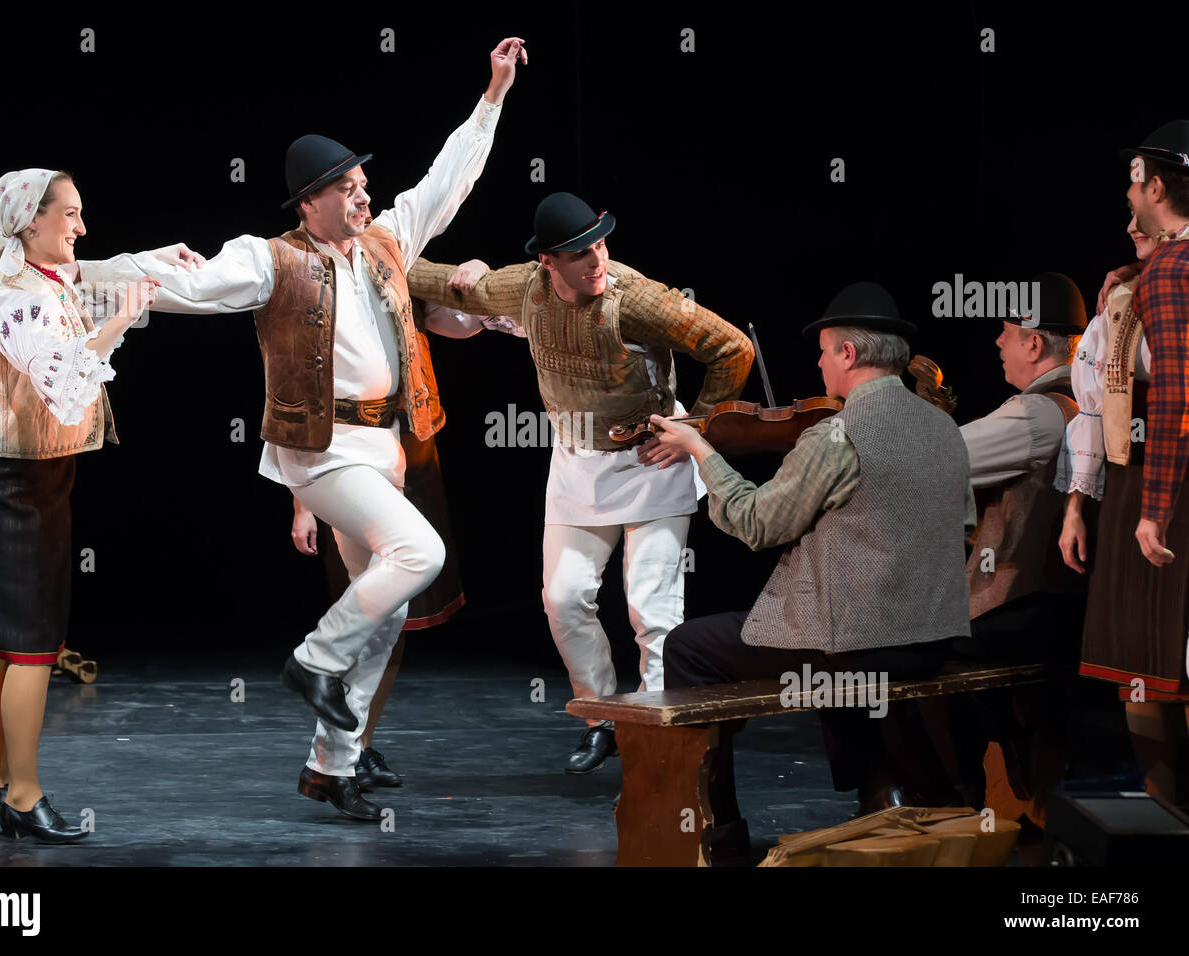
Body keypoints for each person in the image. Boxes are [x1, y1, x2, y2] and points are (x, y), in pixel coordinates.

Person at [74, 38, 526, 820]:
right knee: (420, 552)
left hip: (385, 446)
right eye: (345, 189)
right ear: (308, 203)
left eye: (362, 183)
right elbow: (184, 285)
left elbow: (448, 179)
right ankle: (313, 659)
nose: (361, 196)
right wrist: (77, 278)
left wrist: (493, 94)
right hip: (321, 453)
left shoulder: (384, 242)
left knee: (384, 611)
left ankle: (330, 766)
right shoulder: (268, 259)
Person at [407, 192, 754, 773]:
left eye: (599, 244)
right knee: (563, 598)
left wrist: (693, 429)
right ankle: (603, 718)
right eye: (578, 253)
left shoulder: (637, 300)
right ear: (547, 262)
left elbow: (731, 348)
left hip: (653, 463)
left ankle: (658, 739)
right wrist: (370, 250)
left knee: (653, 609)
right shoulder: (521, 288)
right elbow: (430, 279)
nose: (596, 260)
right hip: (576, 463)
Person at [649, 282, 976, 863]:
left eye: (825, 352)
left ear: (848, 355)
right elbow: (956, 527)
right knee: (837, 643)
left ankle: (714, 825)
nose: (819, 363)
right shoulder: (944, 430)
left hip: (859, 643)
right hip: (930, 638)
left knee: (689, 646)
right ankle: (881, 789)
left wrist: (703, 452)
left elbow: (755, 523)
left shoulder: (838, 433)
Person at [0, 168, 194, 842]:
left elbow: (94, 268)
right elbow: (64, 387)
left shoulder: (47, 276)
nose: (81, 229)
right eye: (71, 216)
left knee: (24, 644)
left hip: (39, 482)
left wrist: (153, 260)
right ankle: (23, 798)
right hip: (4, 489)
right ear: (30, 223)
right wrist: (120, 320)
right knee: (30, 649)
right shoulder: (11, 300)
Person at [289, 297, 512, 790]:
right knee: (370, 611)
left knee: (391, 618)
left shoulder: (397, 271)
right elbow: (293, 392)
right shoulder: (314, 287)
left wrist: (486, 291)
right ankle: (322, 693)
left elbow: (457, 320)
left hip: (409, 454)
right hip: (346, 461)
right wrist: (302, 501)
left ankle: (342, 756)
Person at [911, 273, 1088, 809]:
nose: (996, 343)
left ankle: (945, 797)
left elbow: (929, 460)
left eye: (1005, 333)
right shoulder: (1085, 403)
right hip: (1056, 607)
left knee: (890, 649)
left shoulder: (1037, 413)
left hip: (1028, 609)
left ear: (1034, 343)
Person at [1058, 120, 1189, 805]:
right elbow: (1094, 409)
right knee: (1139, 662)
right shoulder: (1131, 289)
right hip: (1135, 471)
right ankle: (1166, 802)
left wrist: (1155, 509)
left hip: (1161, 476)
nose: (1128, 201)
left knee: (1160, 655)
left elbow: (1174, 396)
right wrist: (1080, 501)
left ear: (1158, 187)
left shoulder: (1168, 276)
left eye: (1135, 182)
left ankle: (1170, 807)